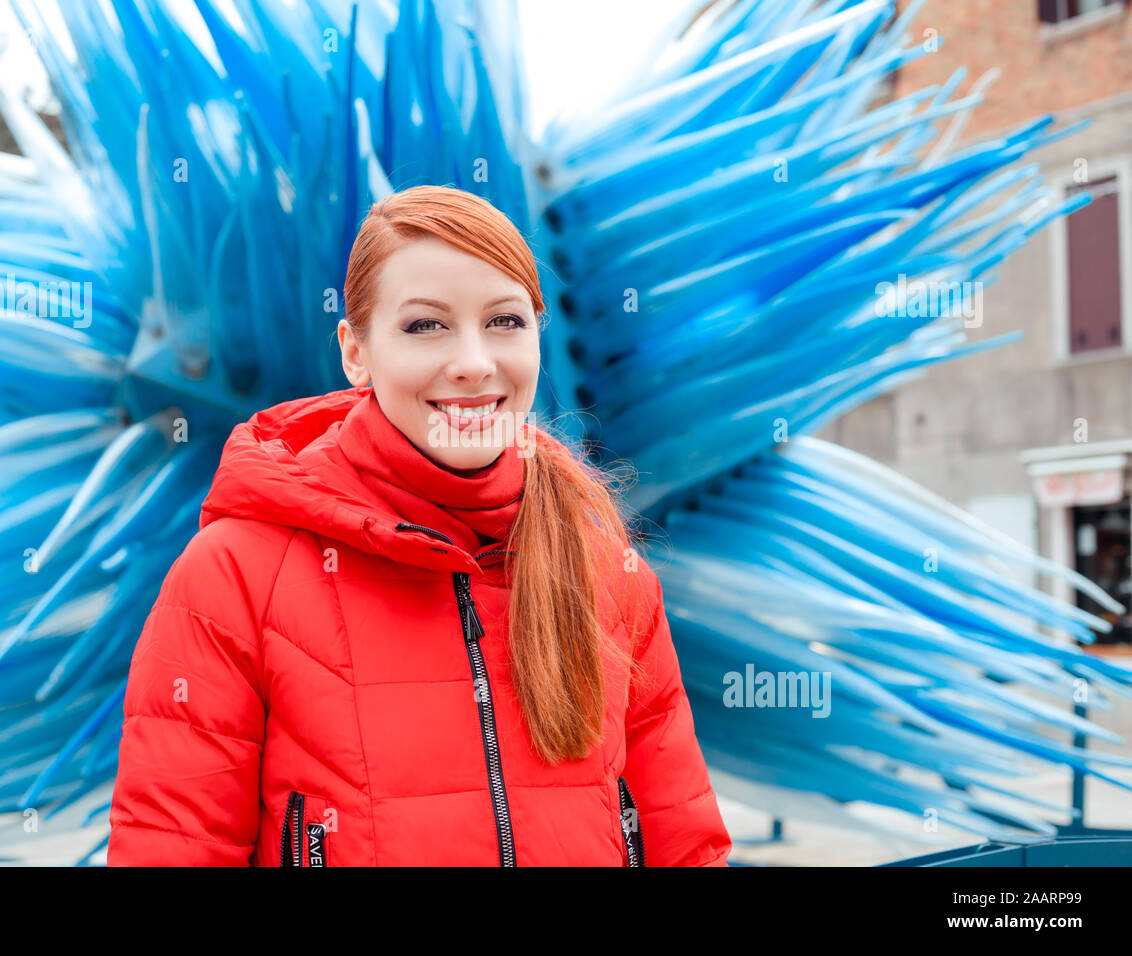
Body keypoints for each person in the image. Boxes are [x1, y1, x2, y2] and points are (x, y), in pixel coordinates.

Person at [106, 184, 731, 866]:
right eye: (424, 326)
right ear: (355, 351)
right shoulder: (234, 577)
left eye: (505, 322)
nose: (473, 362)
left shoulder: (608, 571)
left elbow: (684, 844)